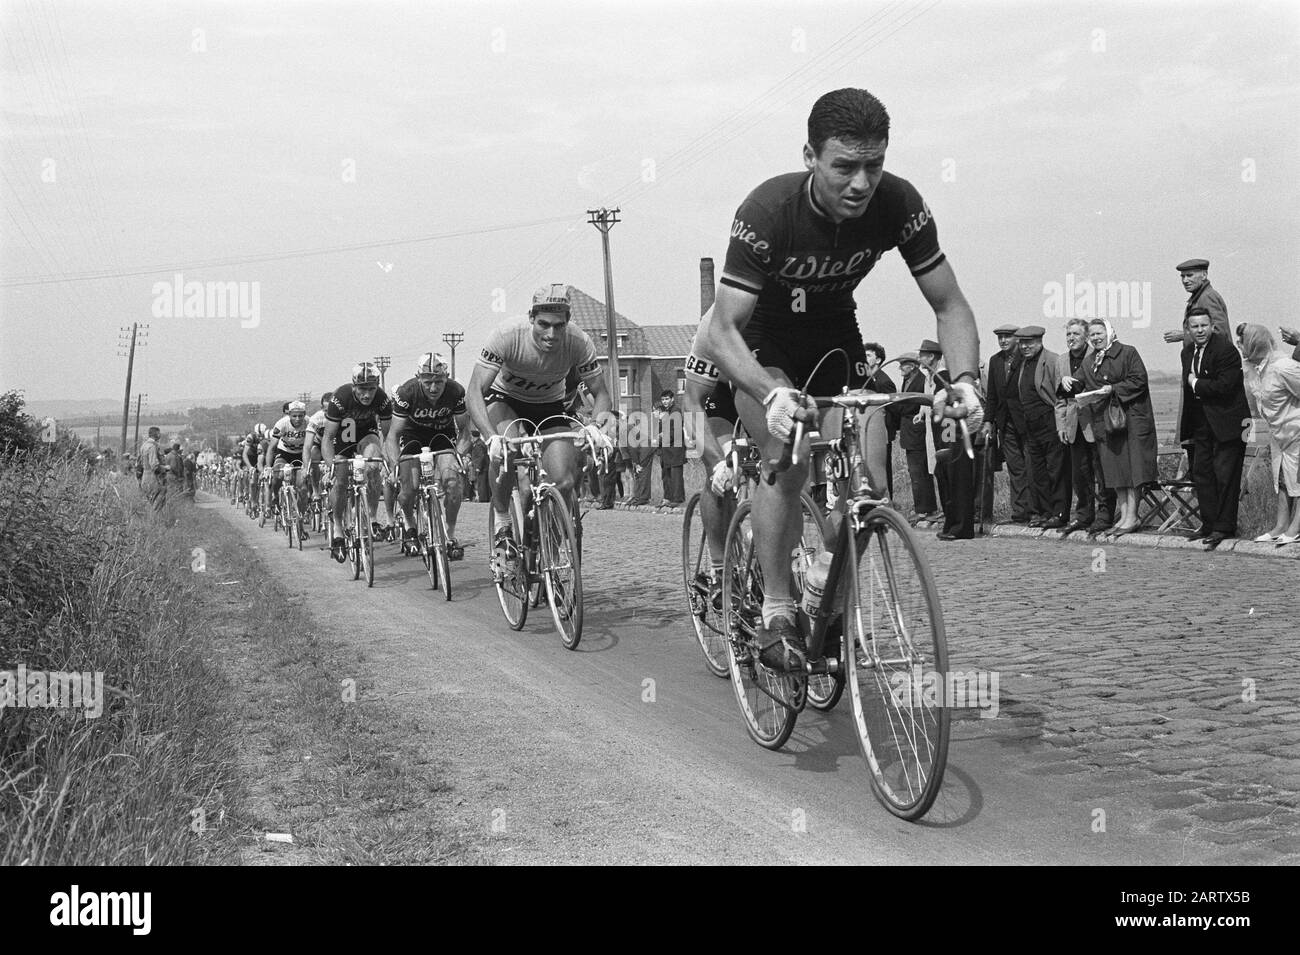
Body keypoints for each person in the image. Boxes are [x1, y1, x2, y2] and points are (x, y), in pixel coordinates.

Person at [695, 87, 982, 671]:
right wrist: (771, 393)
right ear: (810, 156)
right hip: (763, 341)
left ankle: (826, 594)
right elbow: (722, 330)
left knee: (865, 488)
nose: (860, 183)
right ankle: (776, 610)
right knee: (788, 452)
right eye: (844, 167)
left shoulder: (898, 203)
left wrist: (967, 381)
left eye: (873, 165)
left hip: (834, 336)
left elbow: (950, 304)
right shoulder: (768, 211)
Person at [465, 283, 614, 555]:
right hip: (505, 400)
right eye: (544, 324)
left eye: (559, 325)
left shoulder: (578, 342)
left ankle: (551, 557)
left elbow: (601, 393)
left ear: (568, 321)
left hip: (548, 405)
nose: (551, 333)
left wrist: (596, 425)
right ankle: (503, 521)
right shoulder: (507, 335)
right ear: (531, 318)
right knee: (507, 452)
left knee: (565, 481)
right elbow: (475, 391)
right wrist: (490, 437)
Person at [384, 352, 471, 556]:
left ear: (446, 378)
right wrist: (395, 466)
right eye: (428, 382)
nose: (433, 388)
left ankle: (449, 534)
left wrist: (461, 456)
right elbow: (392, 436)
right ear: (418, 378)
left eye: (439, 382)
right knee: (409, 488)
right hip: (412, 436)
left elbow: (464, 431)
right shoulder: (407, 393)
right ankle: (409, 524)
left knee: (453, 482)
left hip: (442, 434)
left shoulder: (456, 391)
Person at [1179, 308, 1250, 549]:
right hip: (1201, 424)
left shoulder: (1226, 350)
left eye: (1203, 326)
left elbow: (1225, 386)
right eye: (1194, 326)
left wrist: (1196, 382)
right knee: (1202, 474)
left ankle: (1224, 527)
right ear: (1188, 329)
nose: (1199, 330)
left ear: (1212, 326)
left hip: (1229, 423)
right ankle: (1208, 524)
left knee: (1226, 476)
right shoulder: (1187, 351)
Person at [1079, 319, 1158, 536]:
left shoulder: (1128, 353)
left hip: (1130, 422)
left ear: (1109, 332)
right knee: (1116, 471)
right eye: (1092, 334)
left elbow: (1139, 380)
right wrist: (1068, 381)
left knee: (1132, 471)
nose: (1095, 337)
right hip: (1106, 424)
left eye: (1099, 332)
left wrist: (1113, 388)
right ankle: (1123, 516)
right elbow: (1079, 383)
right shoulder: (1090, 362)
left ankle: (1132, 516)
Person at [320, 362, 393, 559]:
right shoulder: (341, 398)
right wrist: (331, 466)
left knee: (373, 463)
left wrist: (389, 462)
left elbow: (388, 436)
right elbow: (327, 438)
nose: (367, 395)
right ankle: (337, 527)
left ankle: (371, 516)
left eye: (371, 389)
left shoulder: (382, 399)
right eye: (362, 389)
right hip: (345, 433)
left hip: (367, 433)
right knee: (341, 480)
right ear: (354, 387)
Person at [1240, 325, 1300, 544]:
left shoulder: (1283, 367)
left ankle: (1296, 528)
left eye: (1243, 341)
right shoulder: (1256, 370)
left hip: (1296, 432)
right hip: (1280, 436)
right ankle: (1281, 525)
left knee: (1299, 480)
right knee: (1283, 480)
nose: (1239, 345)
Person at [1004, 326, 1067, 527]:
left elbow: (1059, 396)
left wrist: (1060, 424)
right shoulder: (1022, 363)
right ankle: (1043, 512)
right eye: (1022, 343)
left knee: (1055, 471)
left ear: (1039, 341)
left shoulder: (1052, 360)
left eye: (1029, 343)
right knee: (1036, 472)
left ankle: (1058, 514)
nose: (1025, 347)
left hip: (1049, 421)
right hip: (1030, 425)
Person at [1056, 318, 1114, 533]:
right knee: (1079, 475)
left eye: (1076, 334)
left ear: (1087, 336)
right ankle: (1083, 515)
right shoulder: (1061, 361)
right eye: (1068, 334)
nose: (1071, 338)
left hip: (1095, 421)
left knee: (1101, 471)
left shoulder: (1096, 355)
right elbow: (1059, 399)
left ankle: (1105, 515)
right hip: (1073, 424)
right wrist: (1061, 425)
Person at [982, 323, 1031, 523]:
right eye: (1000, 337)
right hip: (1005, 422)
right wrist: (988, 421)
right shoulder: (995, 361)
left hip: (1026, 421)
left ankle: (1036, 510)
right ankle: (1020, 512)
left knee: (1032, 464)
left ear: (1017, 339)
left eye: (1007, 337)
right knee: (1015, 466)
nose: (1003, 340)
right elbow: (992, 395)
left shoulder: (1025, 357)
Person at [893, 353, 941, 523]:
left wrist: (898, 405)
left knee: (919, 472)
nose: (900, 368)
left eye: (903, 365)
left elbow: (911, 404)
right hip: (909, 431)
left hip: (917, 432)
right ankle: (922, 507)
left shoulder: (920, 381)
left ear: (912, 366)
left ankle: (925, 509)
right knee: (915, 473)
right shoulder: (908, 381)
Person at [267, 401, 312, 534]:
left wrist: (308, 466)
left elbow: (313, 445)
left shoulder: (309, 422)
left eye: (300, 416)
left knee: (303, 489)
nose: (297, 419)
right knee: (278, 474)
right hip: (284, 453)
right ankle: (275, 497)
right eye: (294, 416)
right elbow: (271, 447)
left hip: (300, 454)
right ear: (289, 415)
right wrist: (268, 467)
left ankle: (300, 521)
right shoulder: (282, 424)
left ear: (304, 415)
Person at [862, 342, 897, 498]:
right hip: (867, 430)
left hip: (881, 431)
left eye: (869, 355)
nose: (865, 358)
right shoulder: (867, 379)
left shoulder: (884, 381)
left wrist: (887, 431)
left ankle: (886, 500)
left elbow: (892, 409)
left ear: (878, 360)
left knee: (882, 469)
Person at [654, 389, 687, 506]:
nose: (665, 401)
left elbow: (677, 431)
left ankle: (677, 499)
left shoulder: (676, 411)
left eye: (667, 399)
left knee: (676, 476)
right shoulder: (664, 412)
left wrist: (664, 435)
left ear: (672, 399)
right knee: (666, 476)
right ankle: (667, 498)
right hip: (665, 450)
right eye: (663, 399)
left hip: (675, 449)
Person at [139, 427, 166, 511]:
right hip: (152, 477)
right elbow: (154, 465)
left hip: (145, 476)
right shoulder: (152, 446)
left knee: (149, 500)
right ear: (155, 434)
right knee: (162, 493)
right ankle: (153, 517)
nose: (160, 435)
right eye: (159, 433)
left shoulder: (144, 445)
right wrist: (164, 468)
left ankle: (150, 517)